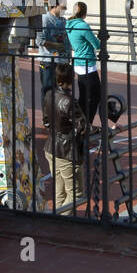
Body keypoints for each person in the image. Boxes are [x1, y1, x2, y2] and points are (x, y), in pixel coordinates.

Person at [43, 63, 87, 211]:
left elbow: (46, 122)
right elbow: (84, 127)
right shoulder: (69, 101)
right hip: (66, 152)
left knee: (60, 191)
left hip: (50, 147)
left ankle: (56, 218)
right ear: (71, 79)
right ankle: (63, 218)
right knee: (76, 194)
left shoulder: (49, 95)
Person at [64, 1, 102, 130]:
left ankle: (80, 123)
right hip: (87, 63)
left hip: (79, 62)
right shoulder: (83, 26)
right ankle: (87, 124)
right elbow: (96, 44)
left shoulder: (70, 25)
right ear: (84, 13)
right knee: (95, 96)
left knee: (84, 96)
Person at [36, 0, 71, 104]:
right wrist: (57, 46)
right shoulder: (44, 19)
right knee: (48, 91)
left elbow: (67, 40)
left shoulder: (63, 21)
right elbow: (40, 41)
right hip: (48, 62)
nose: (65, 9)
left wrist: (68, 57)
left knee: (62, 92)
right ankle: (47, 118)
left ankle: (57, 116)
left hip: (62, 62)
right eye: (63, 6)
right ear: (55, 6)